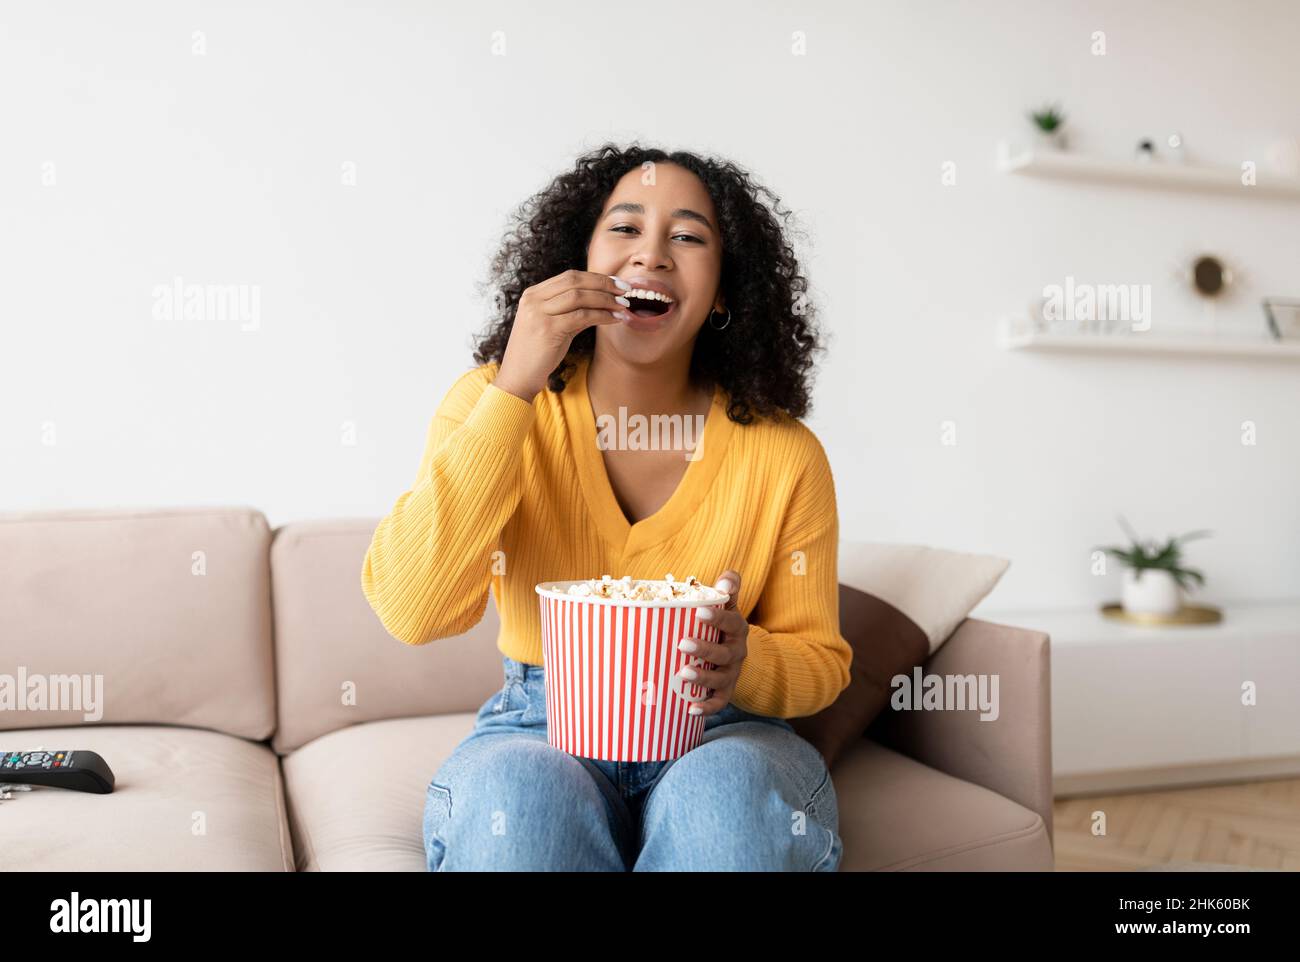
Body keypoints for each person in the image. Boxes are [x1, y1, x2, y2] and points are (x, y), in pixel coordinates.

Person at [361, 143, 851, 871]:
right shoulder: (492, 404)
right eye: (625, 229)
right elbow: (414, 610)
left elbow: (821, 661)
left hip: (725, 730)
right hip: (538, 722)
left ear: (722, 292)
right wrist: (515, 388)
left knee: (723, 796)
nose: (650, 255)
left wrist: (743, 659)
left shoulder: (784, 453)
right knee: (521, 798)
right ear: (577, 261)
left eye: (687, 237)